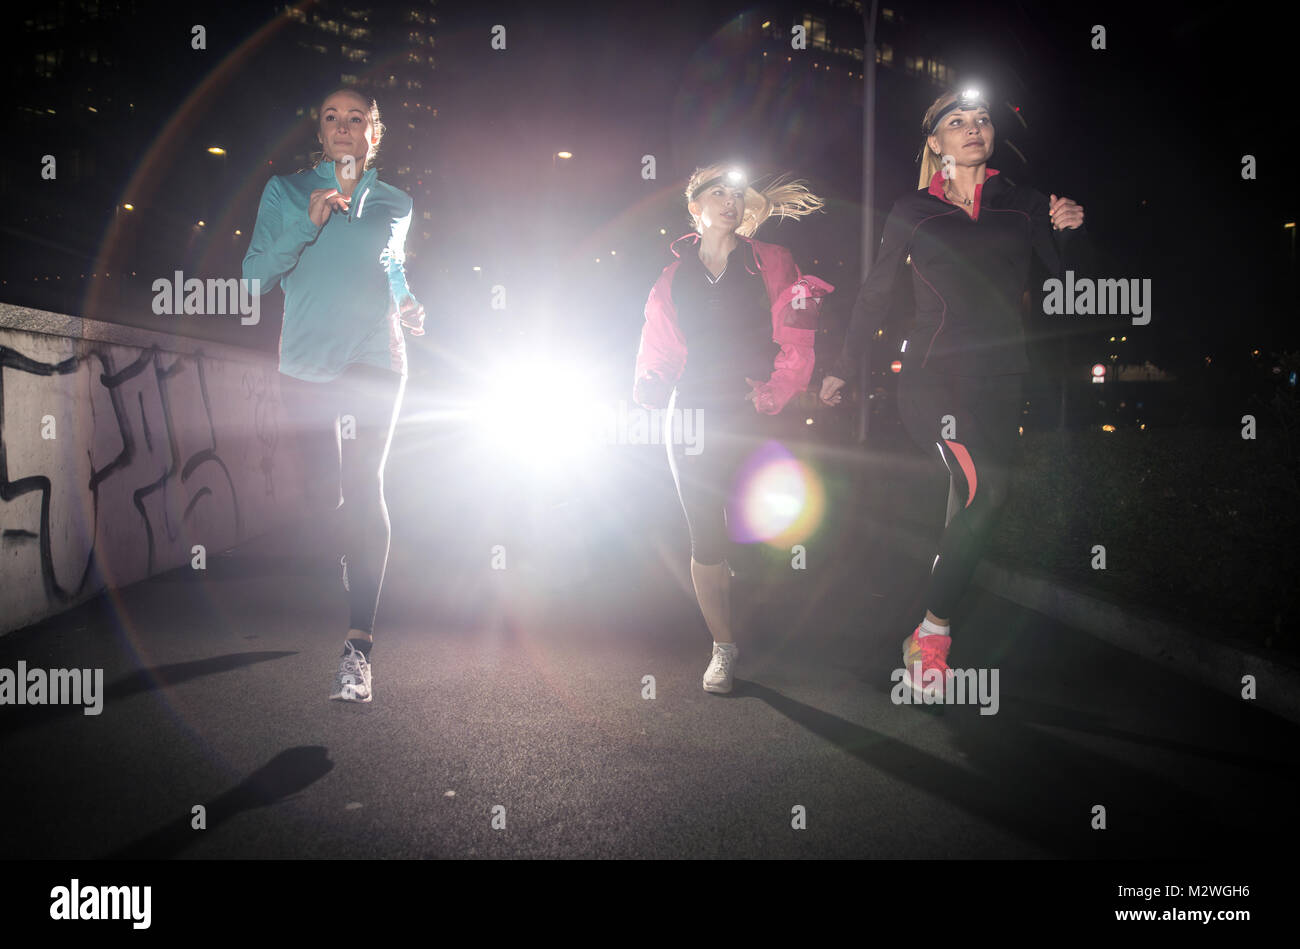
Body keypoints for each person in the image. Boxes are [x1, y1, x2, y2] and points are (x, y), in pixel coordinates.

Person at [820, 89, 1086, 697]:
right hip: (930, 376)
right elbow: (876, 293)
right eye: (956, 122)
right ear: (935, 142)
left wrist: (1072, 232)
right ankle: (932, 641)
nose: (973, 128)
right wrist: (843, 365)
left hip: (999, 377)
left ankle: (925, 634)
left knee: (976, 507)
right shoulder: (913, 209)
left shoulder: (1025, 205)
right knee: (987, 489)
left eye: (983, 120)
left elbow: (1069, 283)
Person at [243, 86, 426, 703]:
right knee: (324, 494)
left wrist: (406, 300)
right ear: (319, 132)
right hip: (306, 364)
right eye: (332, 118)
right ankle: (348, 556)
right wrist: (306, 221)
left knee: (367, 486)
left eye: (358, 119)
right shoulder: (286, 191)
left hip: (378, 355)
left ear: (375, 133)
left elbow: (391, 264)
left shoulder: (396, 201)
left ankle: (358, 646)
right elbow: (253, 279)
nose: (345, 128)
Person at [634, 163, 832, 693]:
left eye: (737, 193)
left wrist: (775, 390)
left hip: (754, 409)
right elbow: (659, 345)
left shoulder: (773, 262)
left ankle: (766, 611)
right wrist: (649, 389)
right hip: (692, 409)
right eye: (716, 192)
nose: (729, 200)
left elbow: (798, 337)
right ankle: (723, 648)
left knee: (764, 521)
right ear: (695, 206)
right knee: (706, 531)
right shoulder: (671, 275)